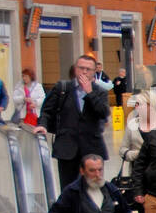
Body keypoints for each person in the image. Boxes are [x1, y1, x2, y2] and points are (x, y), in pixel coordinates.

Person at [40, 55, 111, 188]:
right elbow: (46, 111)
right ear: (75, 69)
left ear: (94, 71)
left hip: (91, 148)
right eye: (81, 68)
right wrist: (42, 125)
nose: (84, 72)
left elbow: (103, 113)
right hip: (67, 147)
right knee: (69, 188)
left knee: (92, 187)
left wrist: (90, 93)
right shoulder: (62, 88)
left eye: (88, 69)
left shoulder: (100, 92)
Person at [8, 67, 45, 131]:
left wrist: (35, 103)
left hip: (34, 115)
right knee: (23, 133)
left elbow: (42, 98)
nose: (24, 78)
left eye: (26, 76)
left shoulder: (38, 86)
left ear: (31, 76)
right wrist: (23, 99)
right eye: (23, 76)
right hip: (22, 115)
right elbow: (14, 98)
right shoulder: (19, 86)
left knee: (33, 132)